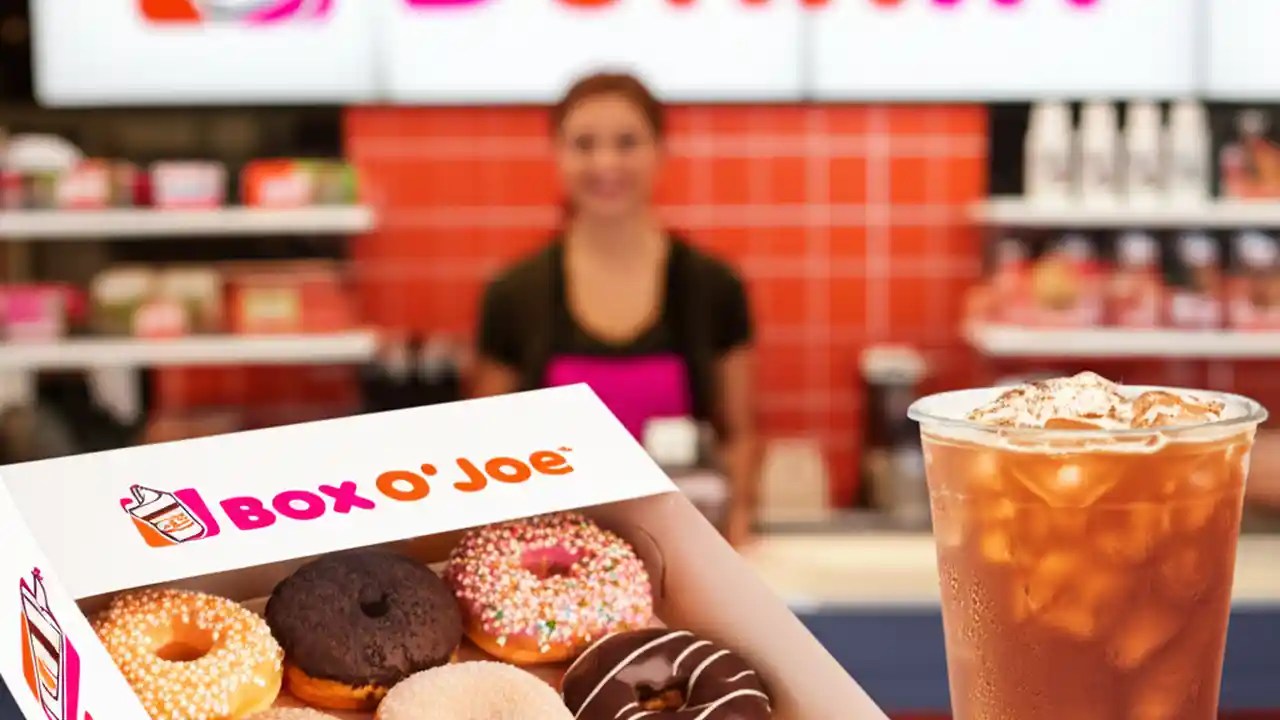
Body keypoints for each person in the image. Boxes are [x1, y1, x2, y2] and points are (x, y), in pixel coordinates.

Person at [471, 73, 759, 545]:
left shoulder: (715, 287)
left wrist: (736, 529)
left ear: (660, 152)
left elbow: (740, 437)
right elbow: (489, 452)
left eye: (627, 143)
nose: (606, 162)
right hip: (549, 565)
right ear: (557, 154)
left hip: (685, 558)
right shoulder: (513, 294)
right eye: (584, 144)